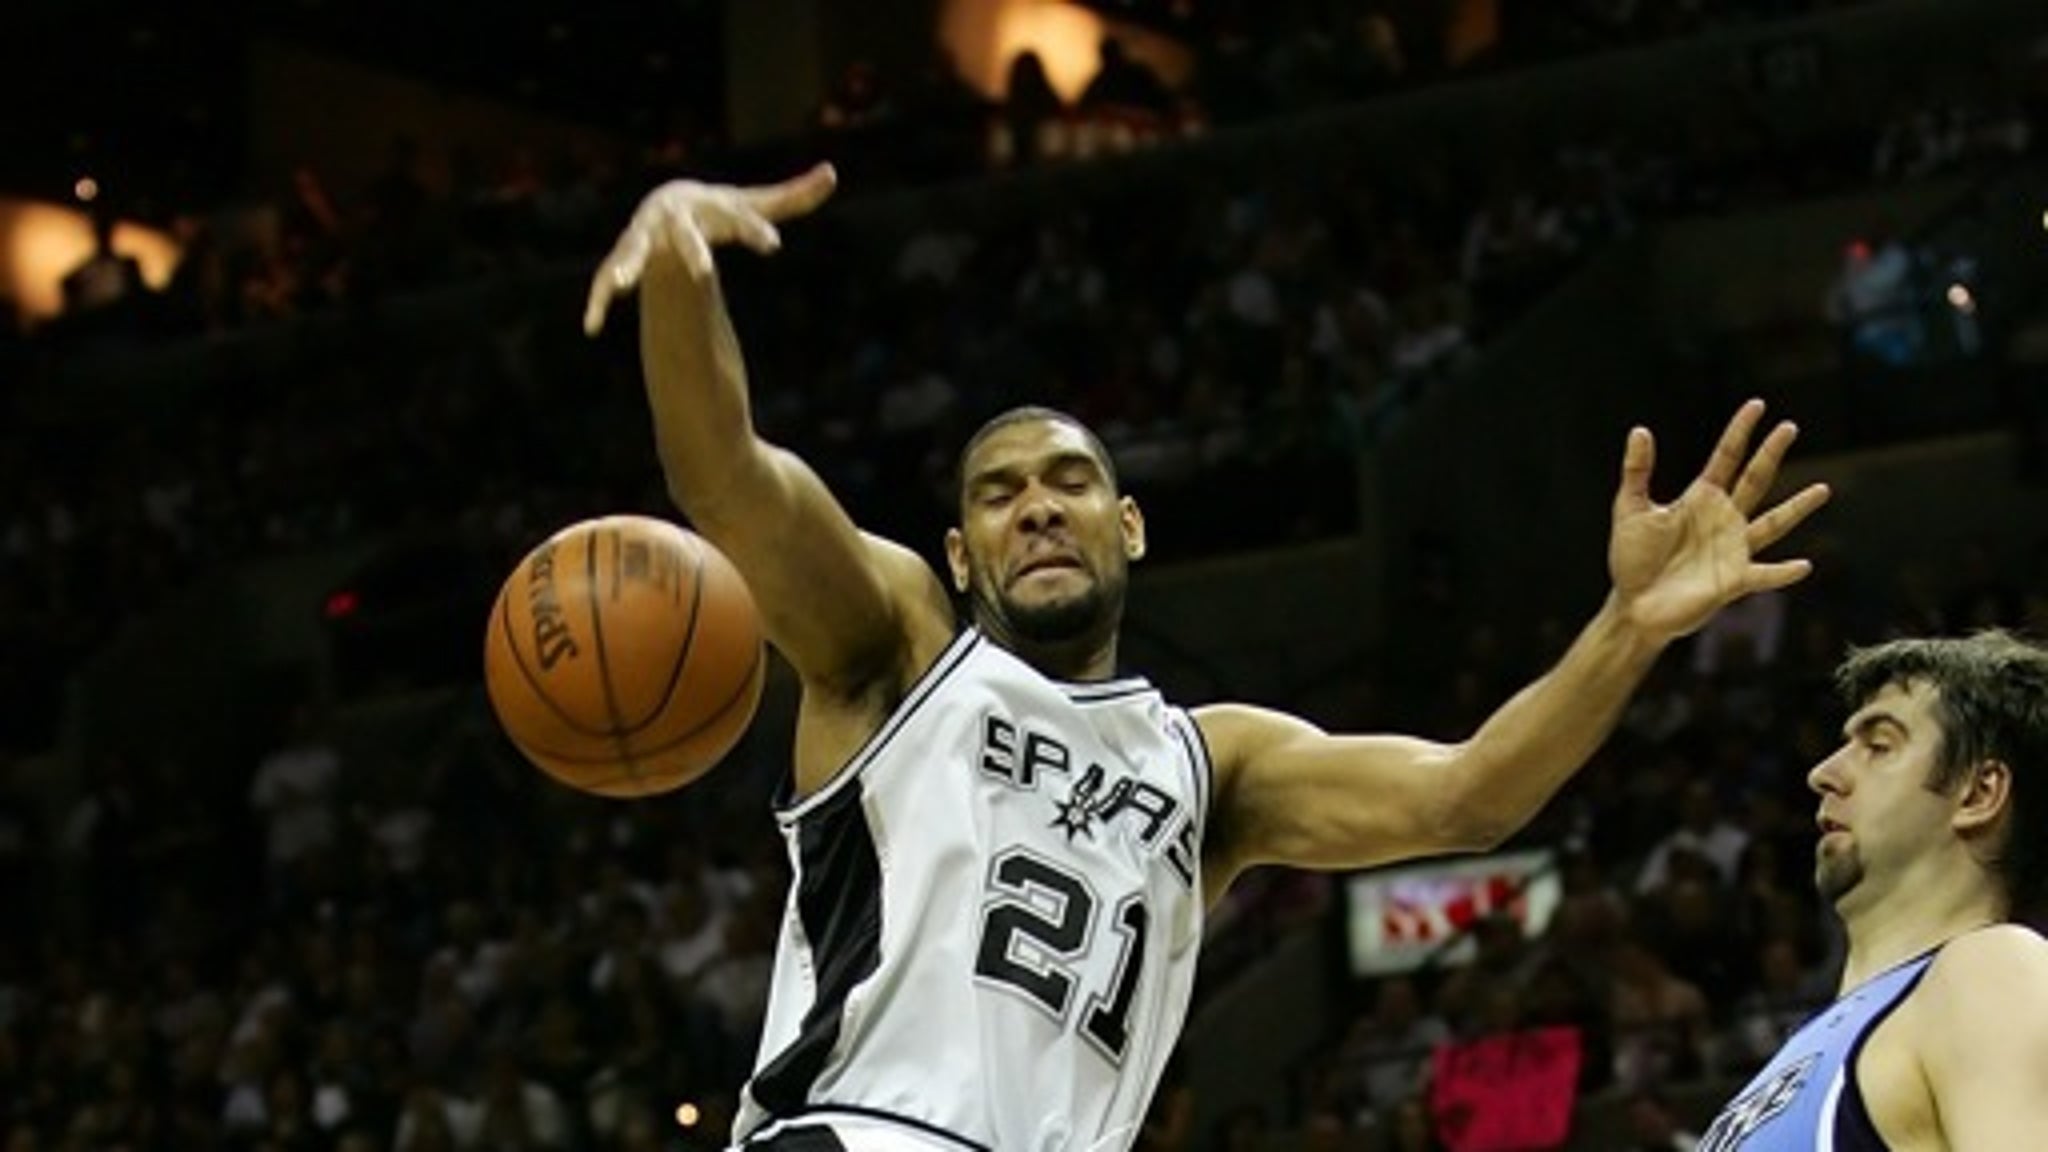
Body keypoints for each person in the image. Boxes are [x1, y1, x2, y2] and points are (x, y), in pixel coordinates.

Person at [581, 164, 1831, 1152]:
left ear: (1127, 527)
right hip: (859, 1137)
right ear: (958, 555)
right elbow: (727, 478)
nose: (1037, 507)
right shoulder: (897, 647)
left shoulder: (1209, 764)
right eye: (999, 494)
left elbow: (1472, 794)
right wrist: (681, 268)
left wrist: (1630, 625)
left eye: (1070, 482)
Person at [1699, 630, 2048, 1150]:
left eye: (1878, 746)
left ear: (1978, 793)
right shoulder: (1805, 1049)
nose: (1823, 773)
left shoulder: (1990, 971)